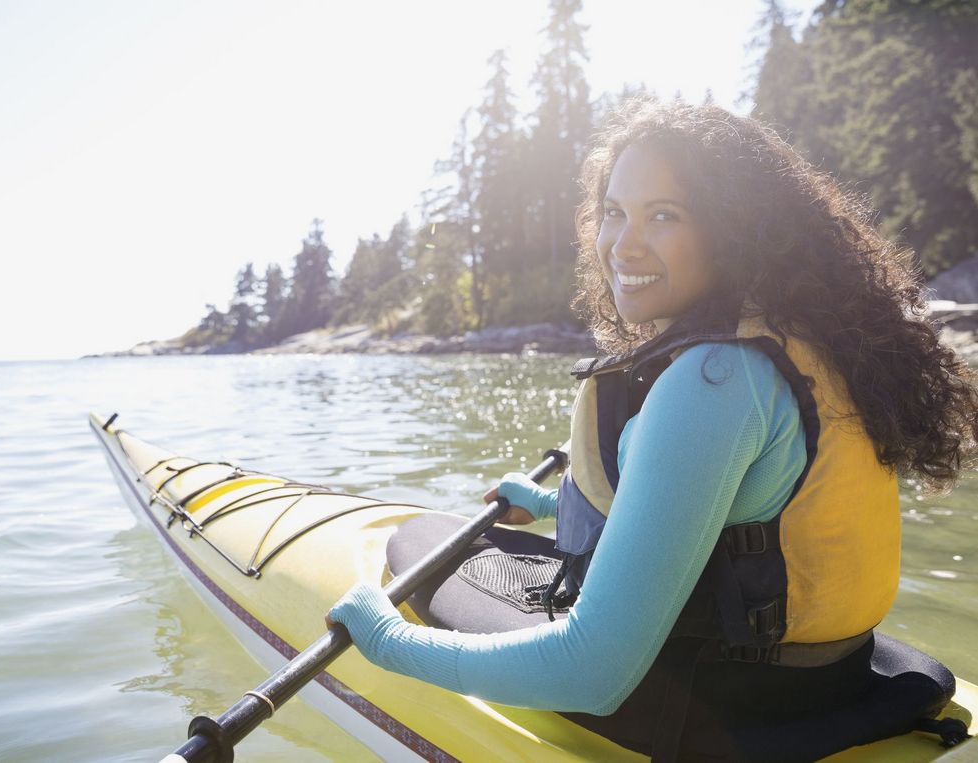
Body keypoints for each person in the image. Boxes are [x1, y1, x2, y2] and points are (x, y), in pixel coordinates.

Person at [328, 100, 978, 761]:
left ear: (732, 228)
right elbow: (749, 515)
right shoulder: (815, 341)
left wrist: (387, 641)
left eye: (664, 215)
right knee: (488, 540)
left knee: (421, 541)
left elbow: (592, 673)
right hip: (835, 676)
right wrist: (555, 505)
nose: (623, 244)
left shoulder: (715, 378)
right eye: (614, 212)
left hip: (724, 699)